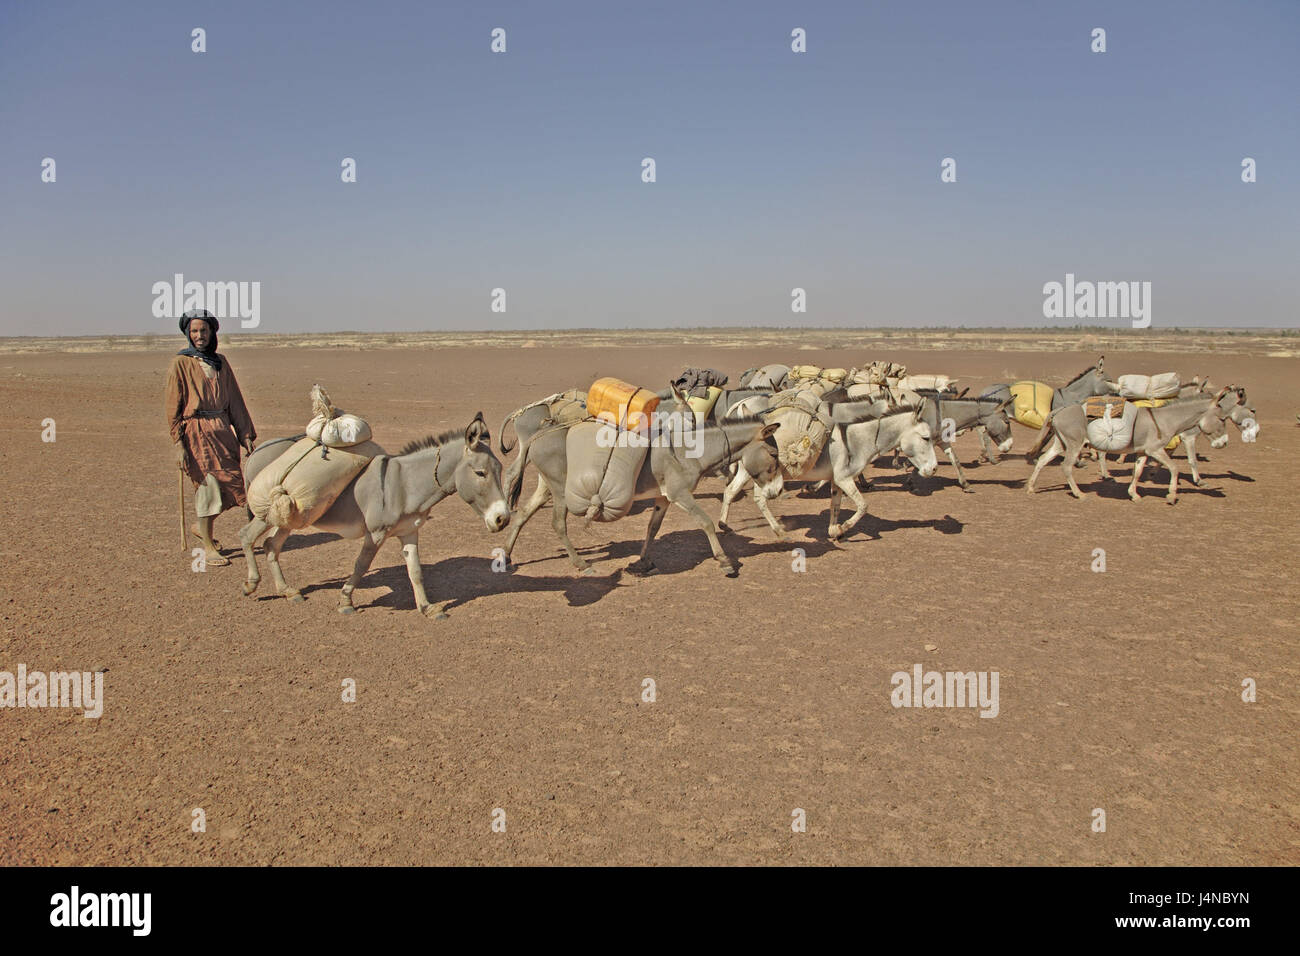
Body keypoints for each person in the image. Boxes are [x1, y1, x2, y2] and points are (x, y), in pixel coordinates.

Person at [165, 309, 257, 566]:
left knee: (230, 487)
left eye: (203, 330)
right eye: (194, 331)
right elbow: (173, 406)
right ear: (187, 334)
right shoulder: (180, 363)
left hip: (223, 433)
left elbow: (235, 401)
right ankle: (208, 547)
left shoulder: (221, 362)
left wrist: (245, 434)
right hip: (196, 433)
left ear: (212, 332)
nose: (199, 336)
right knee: (208, 489)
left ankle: (201, 526)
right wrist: (178, 444)